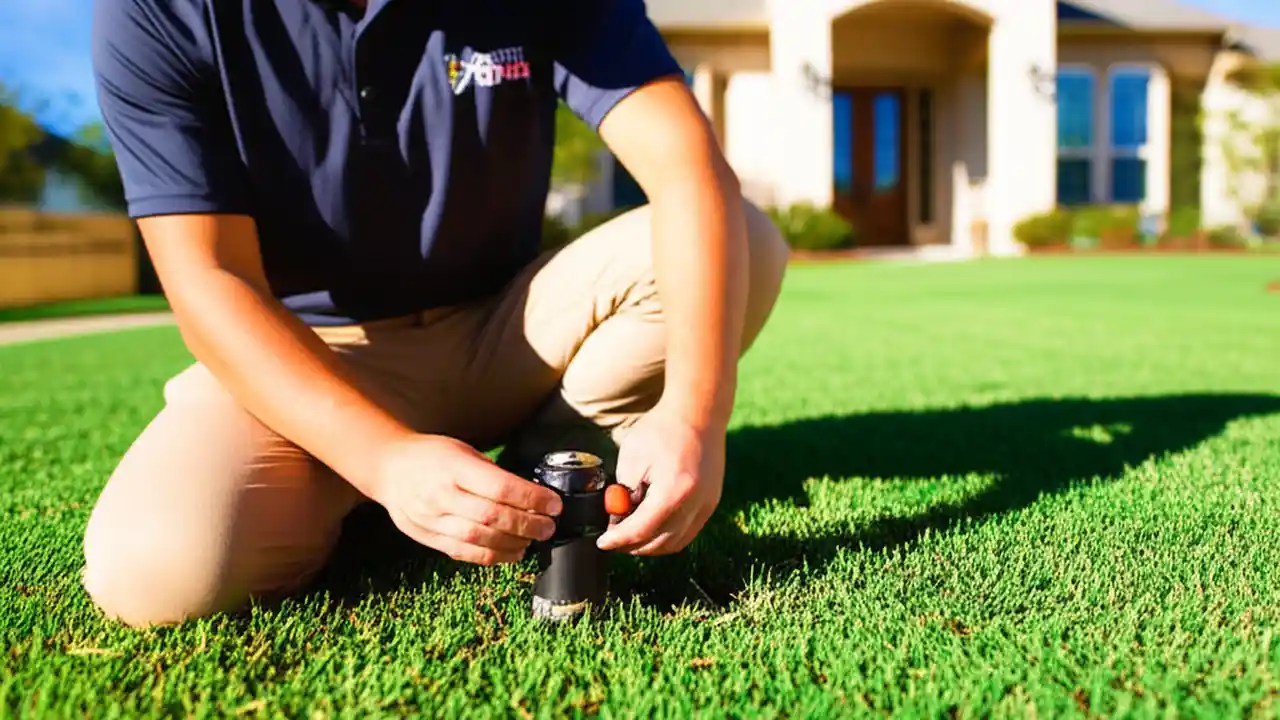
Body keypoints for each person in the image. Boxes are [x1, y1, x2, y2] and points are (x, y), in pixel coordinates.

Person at [83, 0, 788, 627]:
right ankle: (359, 489)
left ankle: (553, 455)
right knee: (156, 571)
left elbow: (687, 172)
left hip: (505, 333)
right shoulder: (155, 9)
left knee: (746, 242)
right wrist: (384, 463)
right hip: (315, 355)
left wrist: (697, 414)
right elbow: (210, 275)